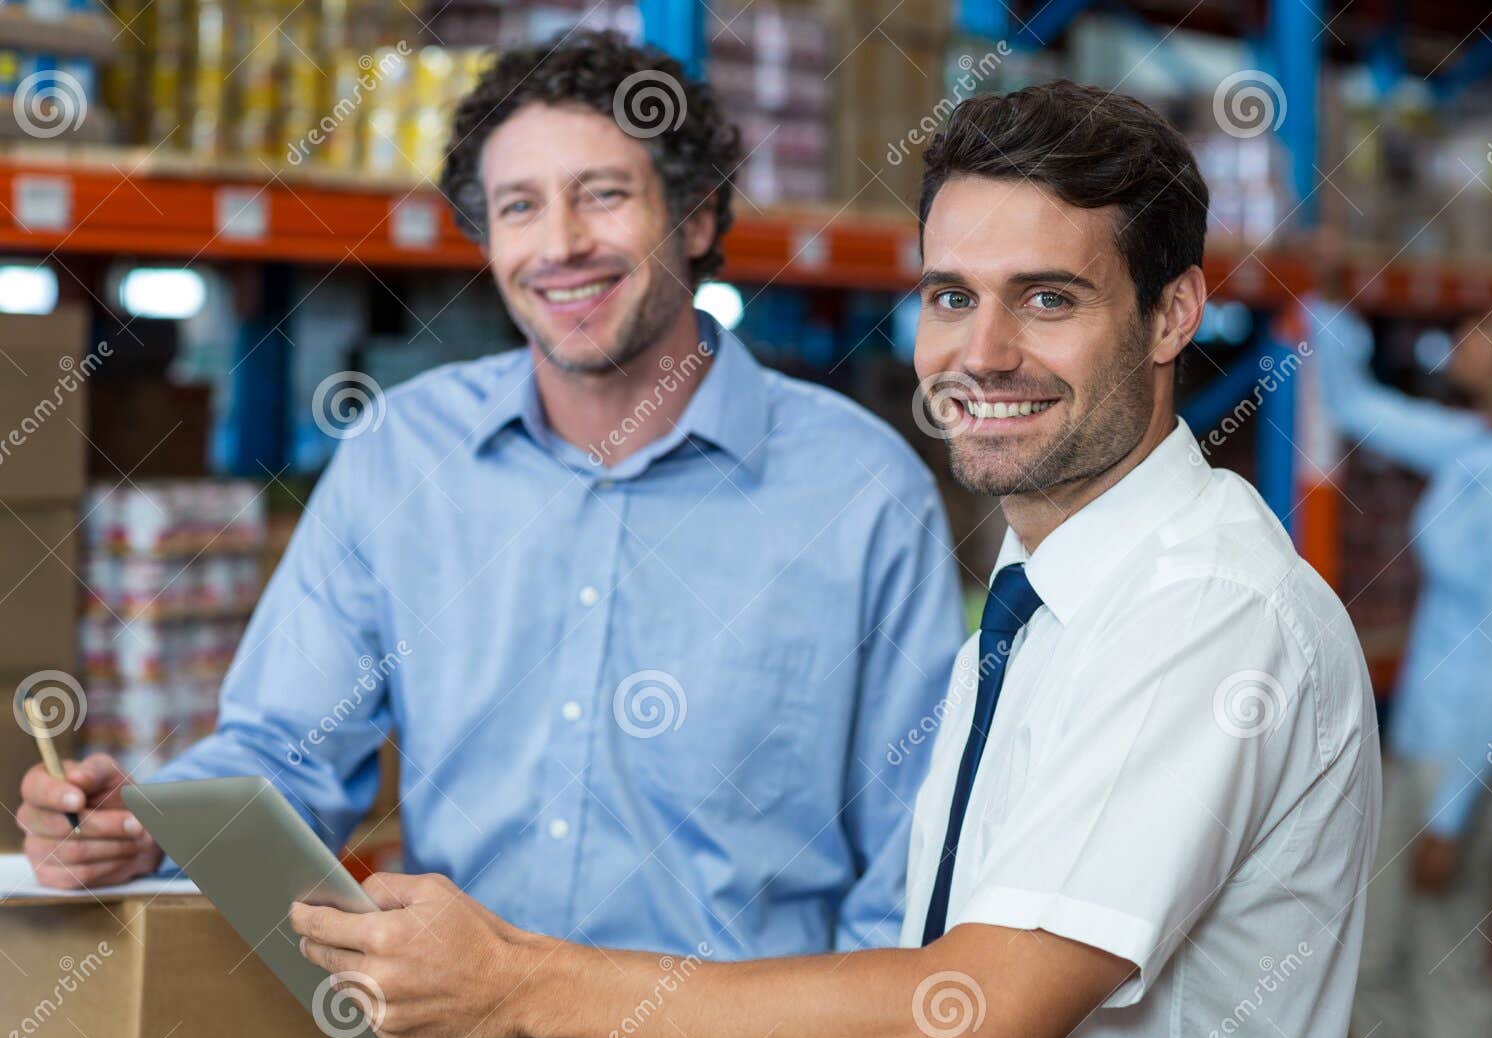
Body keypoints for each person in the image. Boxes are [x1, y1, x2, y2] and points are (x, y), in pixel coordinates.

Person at [290, 78, 1381, 1038]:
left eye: (1048, 298)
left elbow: (967, 1013)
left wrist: (519, 980)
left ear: (1172, 313)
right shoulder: (1044, 596)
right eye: (951, 296)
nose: (983, 352)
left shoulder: (1201, 611)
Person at [15, 32, 966, 961]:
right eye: (519, 207)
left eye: (603, 196)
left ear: (700, 217)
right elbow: (286, 752)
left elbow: (906, 867)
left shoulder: (860, 493)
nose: (560, 244)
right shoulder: (401, 457)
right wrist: (145, 830)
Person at [1307, 293, 1492, 1038]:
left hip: (1469, 763)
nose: (1468, 333)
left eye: (1491, 330)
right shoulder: (1479, 446)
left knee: (1437, 963)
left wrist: (1450, 818)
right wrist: (1321, 305)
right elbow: (1355, 404)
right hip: (1433, 748)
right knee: (1381, 959)